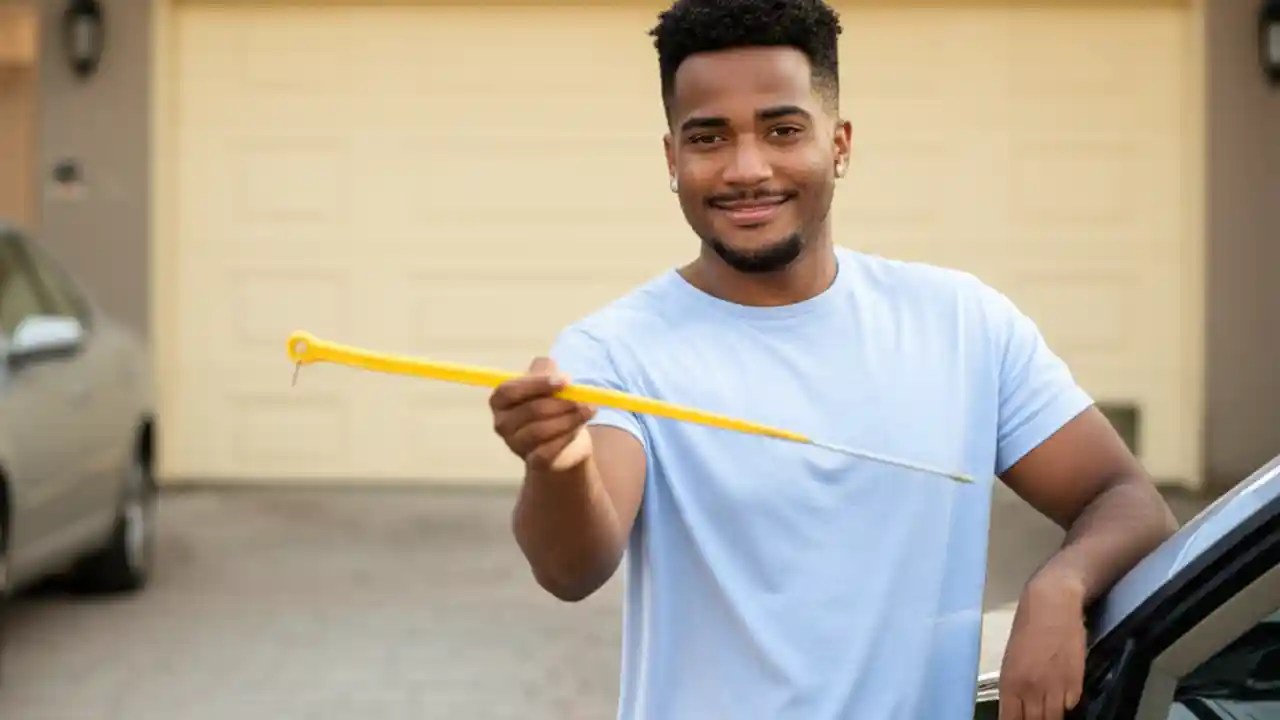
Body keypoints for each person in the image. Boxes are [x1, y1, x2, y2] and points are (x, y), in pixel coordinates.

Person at [487, 1, 1180, 718]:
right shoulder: (616, 348)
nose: (747, 168)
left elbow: (1126, 500)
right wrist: (558, 460)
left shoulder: (961, 324)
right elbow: (572, 568)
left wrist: (1061, 587)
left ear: (840, 144)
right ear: (672, 158)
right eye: (709, 138)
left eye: (783, 130)